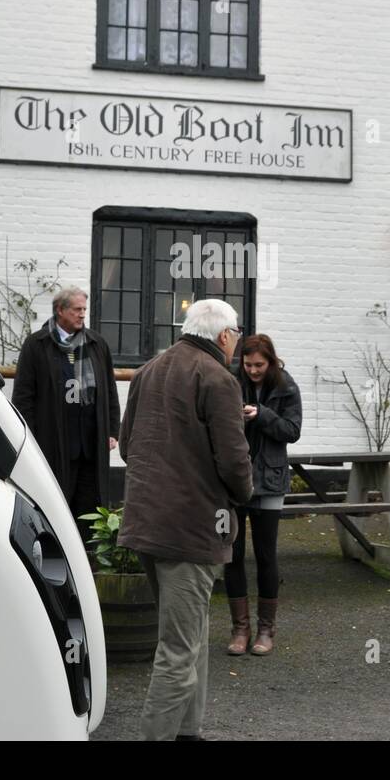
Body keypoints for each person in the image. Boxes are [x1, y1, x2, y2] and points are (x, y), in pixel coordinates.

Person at [118, 299, 253, 741]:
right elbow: (234, 461)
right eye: (236, 337)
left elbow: (126, 446)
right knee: (178, 649)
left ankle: (189, 732)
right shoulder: (218, 378)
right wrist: (244, 494)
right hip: (191, 527)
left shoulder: (149, 370)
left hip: (146, 523)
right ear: (225, 336)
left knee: (189, 634)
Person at [12, 286, 120, 533]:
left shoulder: (96, 344)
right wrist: (31, 438)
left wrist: (113, 429)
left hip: (91, 445)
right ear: (60, 310)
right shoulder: (37, 345)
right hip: (54, 442)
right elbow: (24, 396)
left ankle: (87, 562)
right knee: (57, 505)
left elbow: (109, 391)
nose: (82, 314)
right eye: (77, 309)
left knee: (89, 507)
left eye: (84, 309)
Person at [226, 334, 302, 657]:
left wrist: (262, 414)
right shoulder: (230, 381)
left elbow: (293, 431)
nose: (253, 370)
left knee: (266, 556)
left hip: (270, 480)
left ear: (271, 361)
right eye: (248, 364)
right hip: (235, 481)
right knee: (233, 554)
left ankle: (266, 629)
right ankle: (240, 629)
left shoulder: (286, 386)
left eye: (259, 364)